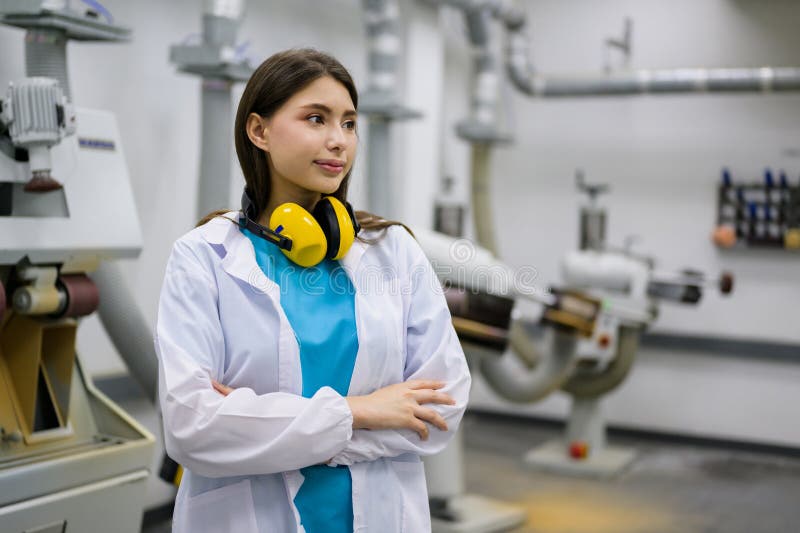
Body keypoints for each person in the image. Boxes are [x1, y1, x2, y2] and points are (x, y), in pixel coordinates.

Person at [154, 48, 471, 533]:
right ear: (258, 131)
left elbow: (440, 405)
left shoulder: (393, 252)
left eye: (348, 123)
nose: (338, 140)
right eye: (316, 118)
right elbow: (191, 428)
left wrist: (257, 425)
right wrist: (361, 412)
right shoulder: (202, 257)